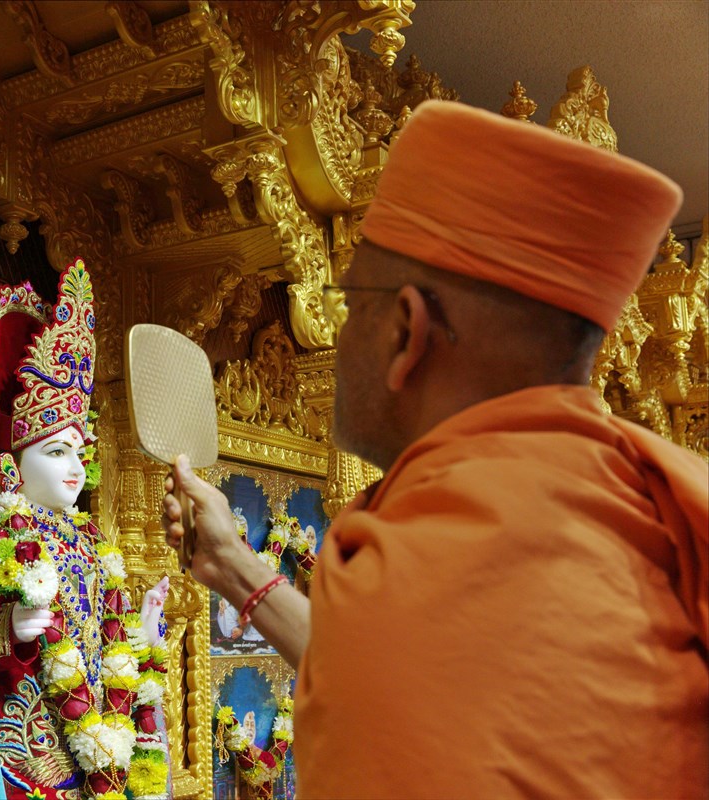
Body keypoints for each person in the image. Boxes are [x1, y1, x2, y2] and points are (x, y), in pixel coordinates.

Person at [162, 100, 708, 798]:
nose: (336, 335)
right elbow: (384, 672)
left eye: (352, 305)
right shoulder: (648, 497)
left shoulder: (445, 557)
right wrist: (233, 567)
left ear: (407, 331)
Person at [0, 260, 172, 800]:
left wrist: (143, 635)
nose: (74, 467)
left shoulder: (92, 546)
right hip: (30, 755)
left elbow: (108, 642)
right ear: (14, 459)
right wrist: (11, 633)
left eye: (79, 451)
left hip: (103, 754)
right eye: (57, 450)